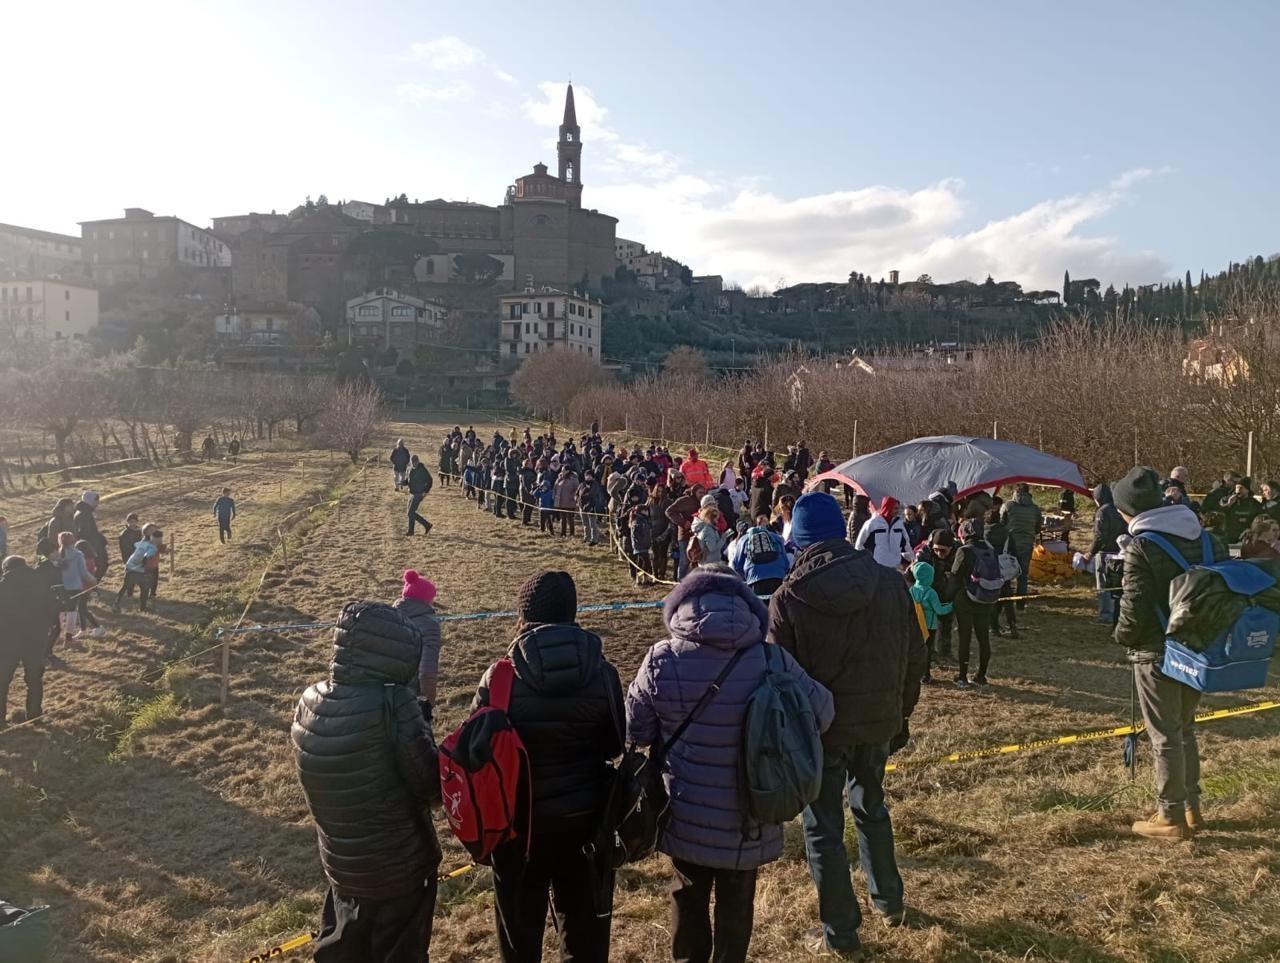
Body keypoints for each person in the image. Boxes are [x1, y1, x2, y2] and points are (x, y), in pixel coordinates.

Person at [626, 568, 833, 963]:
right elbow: (824, 712)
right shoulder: (772, 659)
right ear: (746, 604)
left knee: (687, 893)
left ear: (681, 604)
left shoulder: (662, 657)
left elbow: (636, 729)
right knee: (738, 899)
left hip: (686, 807)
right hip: (752, 809)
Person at [768, 492, 926, 957]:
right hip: (877, 720)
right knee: (872, 807)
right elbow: (915, 656)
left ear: (798, 540)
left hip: (821, 732)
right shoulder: (891, 583)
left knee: (822, 827)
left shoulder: (788, 596)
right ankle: (889, 900)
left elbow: (779, 679)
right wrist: (900, 715)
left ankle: (840, 931)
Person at [473, 572, 623, 962]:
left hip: (517, 828)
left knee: (519, 939)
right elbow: (614, 744)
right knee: (585, 938)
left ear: (525, 615)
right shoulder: (603, 672)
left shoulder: (501, 676)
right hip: (587, 822)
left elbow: (478, 751)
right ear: (573, 613)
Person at [292, 601, 441, 961]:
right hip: (400, 867)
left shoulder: (310, 701)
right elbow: (432, 788)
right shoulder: (394, 703)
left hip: (343, 866)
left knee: (344, 950)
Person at [1112, 466, 1227, 840]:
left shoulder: (1142, 547)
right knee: (1185, 730)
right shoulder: (1207, 538)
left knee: (1163, 735)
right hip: (1197, 647)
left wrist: (1121, 636)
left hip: (1154, 649)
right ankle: (1192, 808)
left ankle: (1170, 817)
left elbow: (1135, 607)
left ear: (1130, 510)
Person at [0, 555, 59, 725]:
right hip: (35, 638)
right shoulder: (40, 583)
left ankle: (0, 720)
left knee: (2, 681)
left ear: (6, 569)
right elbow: (52, 607)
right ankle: (34, 715)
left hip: (7, 641)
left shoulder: (3, 586)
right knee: (34, 679)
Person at [945, 518, 997, 688]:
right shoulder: (990, 548)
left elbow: (955, 577)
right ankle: (981, 676)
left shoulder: (964, 551)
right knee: (983, 638)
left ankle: (962, 676)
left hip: (966, 599)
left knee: (965, 637)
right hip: (986, 597)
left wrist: (946, 596)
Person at [393, 570, 442, 703]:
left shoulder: (389, 618)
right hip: (411, 695)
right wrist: (427, 704)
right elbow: (427, 670)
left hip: (385, 693)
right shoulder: (429, 626)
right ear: (426, 600)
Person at [1083, 484, 1127, 624]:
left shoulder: (1102, 512)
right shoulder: (1120, 509)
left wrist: (1090, 552)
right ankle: (1117, 614)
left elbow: (1100, 536)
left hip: (1105, 553)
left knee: (1103, 585)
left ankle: (1105, 616)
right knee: (1117, 585)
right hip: (1120, 552)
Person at [914, 530, 957, 660]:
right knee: (926, 626)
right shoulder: (924, 553)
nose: (939, 553)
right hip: (928, 594)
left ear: (951, 547)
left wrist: (954, 577)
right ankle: (927, 653)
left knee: (946, 624)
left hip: (947, 592)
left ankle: (945, 651)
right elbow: (916, 573)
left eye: (943, 551)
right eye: (936, 550)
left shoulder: (959, 552)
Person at [909, 560, 952, 685]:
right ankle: (925, 675)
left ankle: (913, 672)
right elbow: (940, 610)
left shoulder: (912, 590)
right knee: (927, 651)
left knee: (915, 649)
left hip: (916, 625)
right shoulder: (931, 593)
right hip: (929, 626)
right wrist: (952, 606)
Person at [1000, 484, 1042, 609]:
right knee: (1023, 575)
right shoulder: (1035, 509)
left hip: (1010, 544)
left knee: (1006, 573)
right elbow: (1038, 528)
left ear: (1015, 492)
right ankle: (1021, 604)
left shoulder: (1008, 506)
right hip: (1027, 544)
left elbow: (1002, 524)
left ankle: (1005, 602)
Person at [728, 513, 790, 596]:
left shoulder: (744, 540)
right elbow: (786, 563)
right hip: (778, 576)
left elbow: (736, 566)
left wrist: (746, 578)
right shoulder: (776, 537)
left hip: (755, 579)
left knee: (759, 607)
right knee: (778, 606)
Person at [983, 508, 1018, 639]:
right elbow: (1013, 551)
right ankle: (1012, 624)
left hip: (989, 569)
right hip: (1004, 568)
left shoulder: (983, 534)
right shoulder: (1007, 533)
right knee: (1008, 598)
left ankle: (994, 627)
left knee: (992, 598)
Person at [56, 532, 96, 643]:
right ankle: (68, 637)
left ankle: (57, 634)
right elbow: (83, 573)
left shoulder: (57, 554)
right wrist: (92, 579)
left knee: (60, 611)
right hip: (74, 586)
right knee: (71, 612)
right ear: (73, 541)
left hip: (60, 587)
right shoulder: (78, 554)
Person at [854, 496, 912, 570]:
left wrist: (912, 559)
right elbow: (859, 544)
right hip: (877, 565)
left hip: (895, 565)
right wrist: (864, 563)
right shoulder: (873, 523)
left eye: (898, 508)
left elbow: (906, 543)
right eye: (895, 508)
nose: (897, 511)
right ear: (887, 507)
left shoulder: (899, 524)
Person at [113, 528, 161, 612]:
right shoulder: (152, 547)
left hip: (130, 566)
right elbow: (147, 554)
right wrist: (145, 559)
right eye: (159, 539)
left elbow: (136, 545)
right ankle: (142, 608)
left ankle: (116, 603)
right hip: (140, 570)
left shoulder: (141, 542)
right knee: (144, 589)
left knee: (125, 586)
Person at [73, 491, 109, 577]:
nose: (97, 504)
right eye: (96, 501)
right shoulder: (85, 514)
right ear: (90, 501)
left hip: (89, 545)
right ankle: (93, 585)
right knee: (101, 565)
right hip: (91, 546)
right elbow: (88, 532)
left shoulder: (82, 512)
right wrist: (100, 540)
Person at [690, 497, 728, 568]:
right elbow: (712, 548)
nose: (717, 521)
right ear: (710, 517)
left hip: (705, 561)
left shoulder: (701, 524)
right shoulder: (708, 530)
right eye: (716, 518)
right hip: (710, 563)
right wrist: (723, 539)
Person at [1222, 479, 1261, 543]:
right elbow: (1219, 513)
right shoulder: (1227, 499)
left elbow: (1260, 518)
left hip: (1248, 537)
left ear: (1247, 490)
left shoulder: (1254, 503)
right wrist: (1228, 504)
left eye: (1241, 488)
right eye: (1237, 487)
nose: (1238, 490)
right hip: (1231, 536)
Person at [405, 455, 433, 537]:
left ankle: (411, 531)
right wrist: (403, 483)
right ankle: (426, 525)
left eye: (415, 462)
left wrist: (425, 491)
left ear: (418, 461)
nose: (414, 464)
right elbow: (408, 480)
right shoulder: (410, 469)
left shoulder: (422, 469)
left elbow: (430, 480)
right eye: (412, 463)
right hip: (412, 493)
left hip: (419, 493)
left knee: (411, 512)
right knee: (410, 513)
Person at [553, 466, 580, 538]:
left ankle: (571, 533)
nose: (562, 471)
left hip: (570, 502)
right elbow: (555, 487)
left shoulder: (573, 479)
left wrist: (572, 496)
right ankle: (563, 533)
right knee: (562, 519)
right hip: (561, 502)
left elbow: (577, 489)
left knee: (570, 518)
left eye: (563, 470)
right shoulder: (560, 478)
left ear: (568, 471)